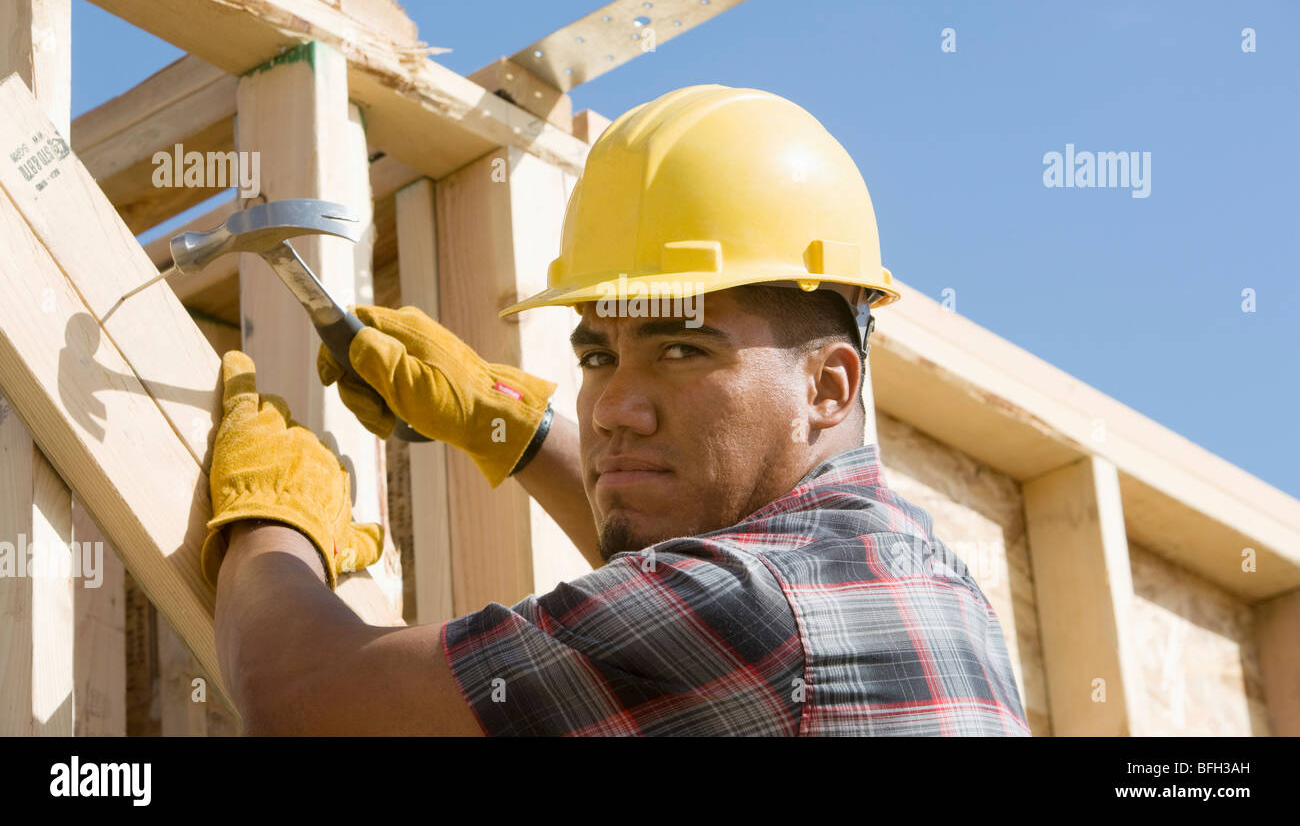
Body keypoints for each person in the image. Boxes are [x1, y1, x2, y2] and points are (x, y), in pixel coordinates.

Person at [205, 84, 1031, 736]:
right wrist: (507, 425)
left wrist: (272, 520)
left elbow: (301, 699)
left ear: (827, 386)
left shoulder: (756, 611)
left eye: (682, 350)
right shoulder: (923, 573)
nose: (613, 411)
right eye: (599, 355)